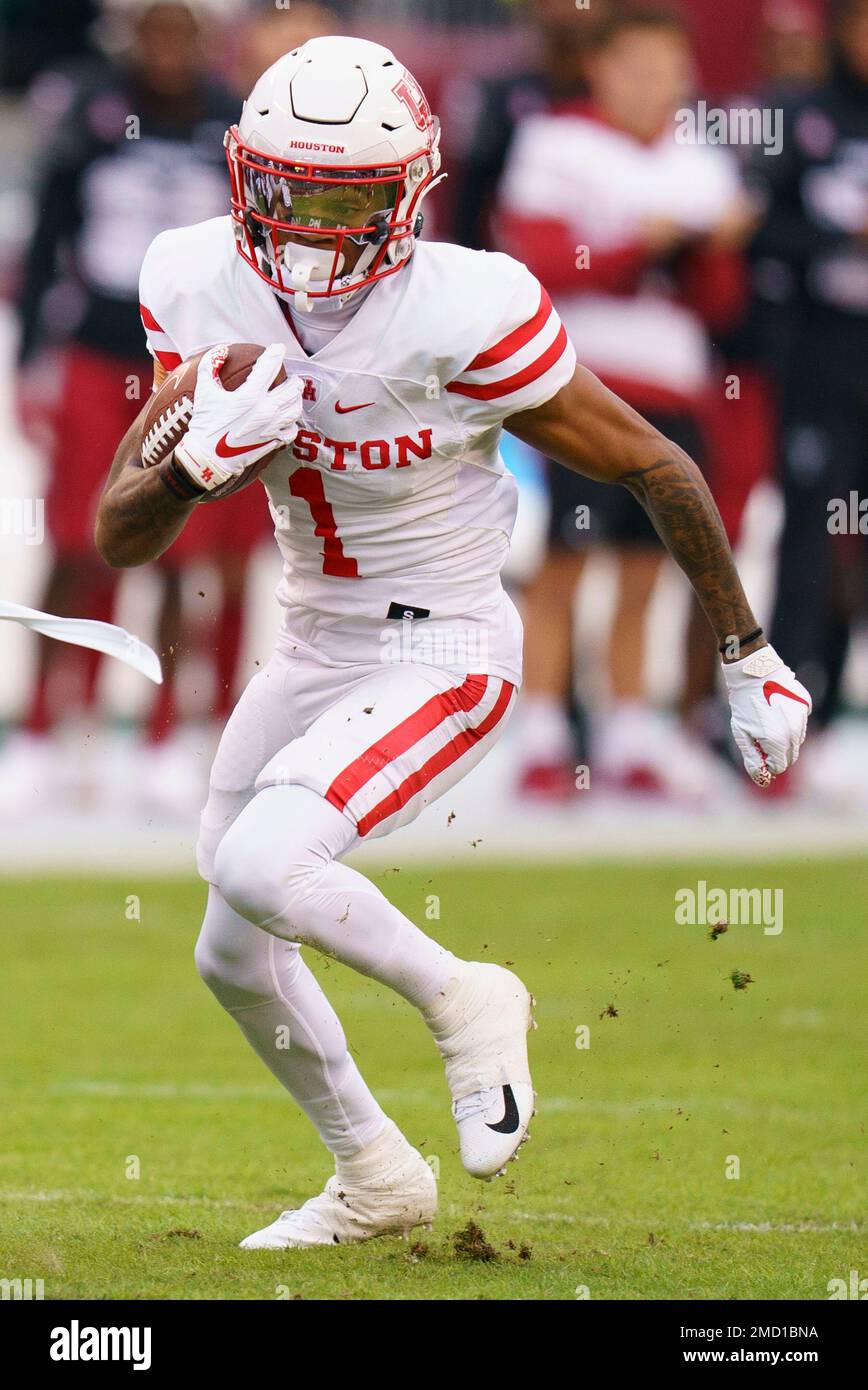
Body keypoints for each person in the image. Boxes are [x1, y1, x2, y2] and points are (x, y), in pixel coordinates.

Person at [95, 35, 810, 1249]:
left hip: (445, 646)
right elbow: (119, 534)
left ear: (412, 194)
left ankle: (469, 999)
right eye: (287, 191)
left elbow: (652, 460)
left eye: (343, 199)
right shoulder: (192, 274)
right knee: (229, 943)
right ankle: (374, 1173)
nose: (311, 228)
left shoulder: (464, 306)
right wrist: (192, 476)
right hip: (315, 639)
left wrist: (745, 649)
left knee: (268, 862)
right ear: (240, 174)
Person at [497, 9, 755, 800]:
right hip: (579, 389)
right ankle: (542, 734)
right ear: (601, 69)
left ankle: (625, 736)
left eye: (666, 69)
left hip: (671, 389)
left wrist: (703, 248)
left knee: (647, 571)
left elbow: (722, 304)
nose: (652, 85)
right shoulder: (556, 142)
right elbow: (532, 260)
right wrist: (644, 242)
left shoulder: (703, 161)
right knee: (564, 567)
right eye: (635, 67)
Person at [4, 0, 248, 815]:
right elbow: (47, 241)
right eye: (157, 30)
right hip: (98, 350)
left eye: (186, 31)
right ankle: (43, 729)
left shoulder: (231, 117)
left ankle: (163, 736)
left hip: (190, 365)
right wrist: (33, 357)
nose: (170, 49)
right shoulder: (89, 105)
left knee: (183, 551)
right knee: (77, 542)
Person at [751, 0, 868, 800]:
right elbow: (752, 227)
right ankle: (786, 735)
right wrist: (842, 237)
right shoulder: (801, 117)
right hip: (826, 355)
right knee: (810, 543)